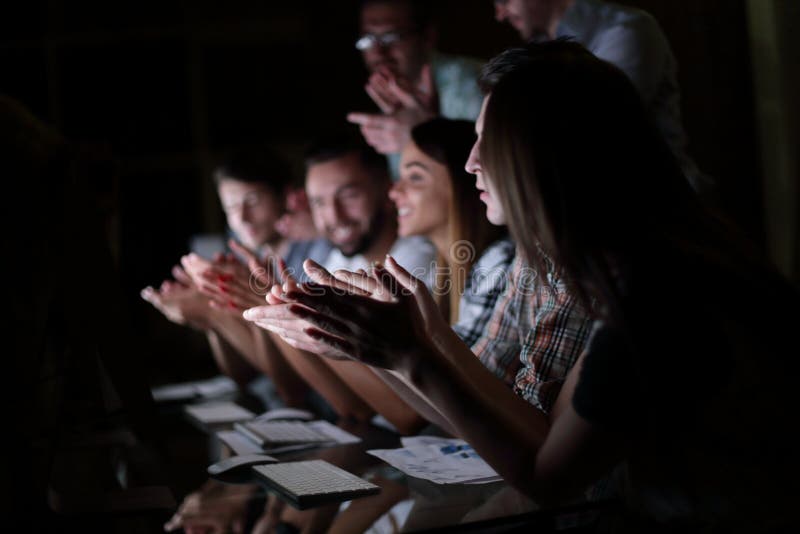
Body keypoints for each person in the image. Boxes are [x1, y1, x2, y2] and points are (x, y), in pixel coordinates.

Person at [260, 41, 800, 531]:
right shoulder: (621, 267)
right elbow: (540, 432)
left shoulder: (655, 295)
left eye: (486, 142)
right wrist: (394, 342)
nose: (471, 162)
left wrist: (410, 352)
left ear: (544, 153)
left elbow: (548, 479)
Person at [142, 147, 327, 408]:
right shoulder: (246, 260)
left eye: (253, 201)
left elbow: (293, 386)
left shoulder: (315, 259)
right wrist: (209, 317)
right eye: (230, 207)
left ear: (284, 195)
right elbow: (243, 376)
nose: (242, 218)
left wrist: (217, 312)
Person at [494, 0, 710, 194]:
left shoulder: (625, 30)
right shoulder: (537, 51)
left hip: (661, 203)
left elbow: (591, 130)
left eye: (503, 0)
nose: (499, 14)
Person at [347, 0, 484, 176]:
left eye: (392, 37)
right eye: (368, 39)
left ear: (428, 37)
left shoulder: (470, 84)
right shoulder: (393, 93)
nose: (379, 52)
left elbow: (486, 174)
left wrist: (425, 134)